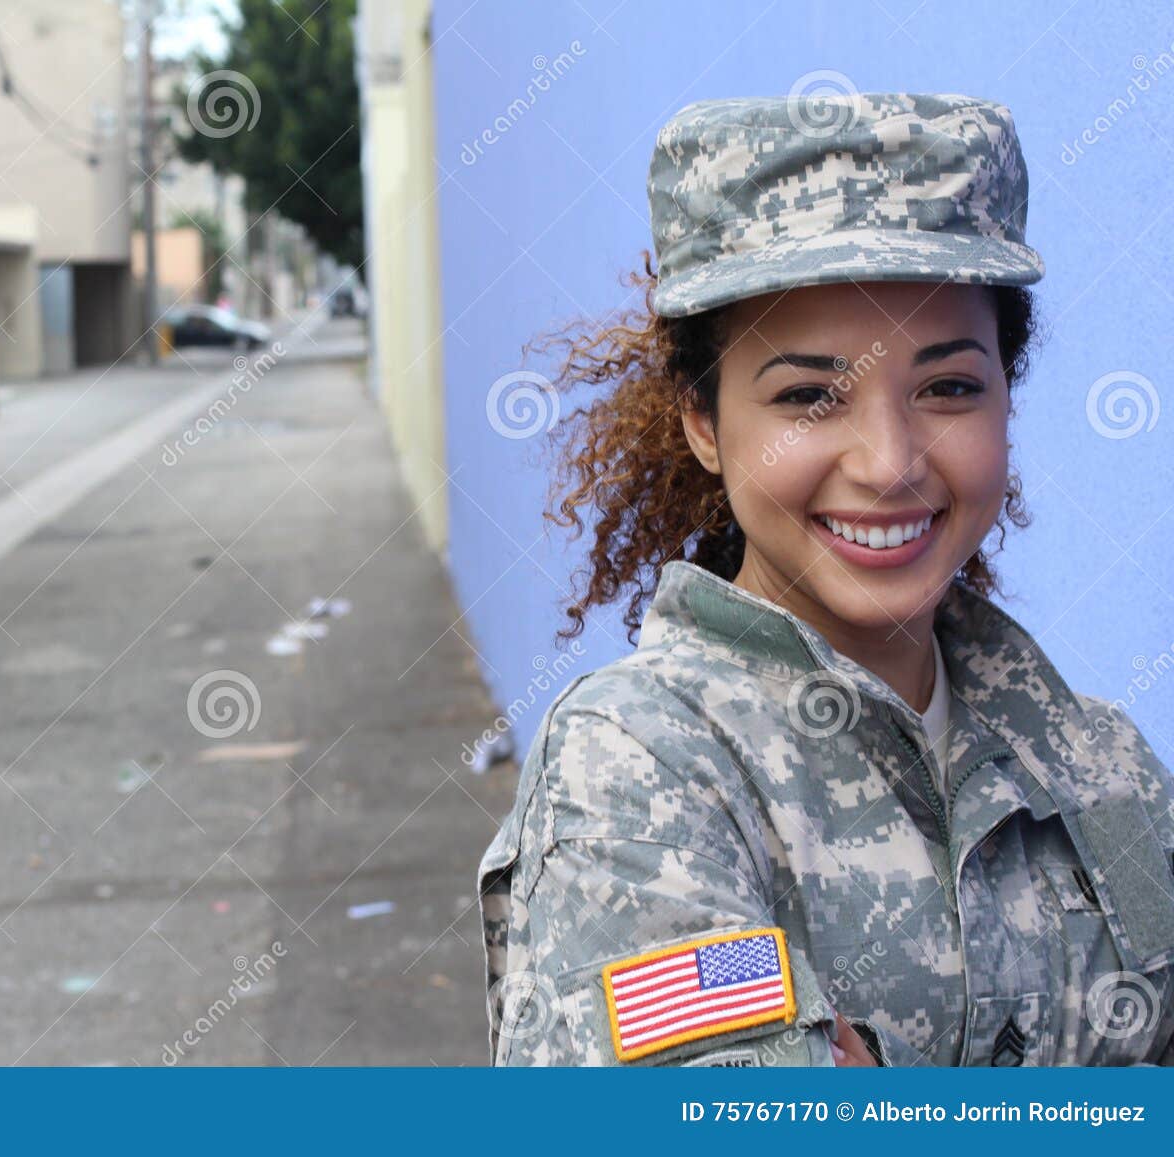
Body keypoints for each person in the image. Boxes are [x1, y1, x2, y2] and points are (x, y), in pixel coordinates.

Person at [478, 93, 1174, 1067]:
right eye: (809, 396)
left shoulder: (1104, 767)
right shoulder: (636, 779)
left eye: (947, 386)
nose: (888, 462)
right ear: (703, 421)